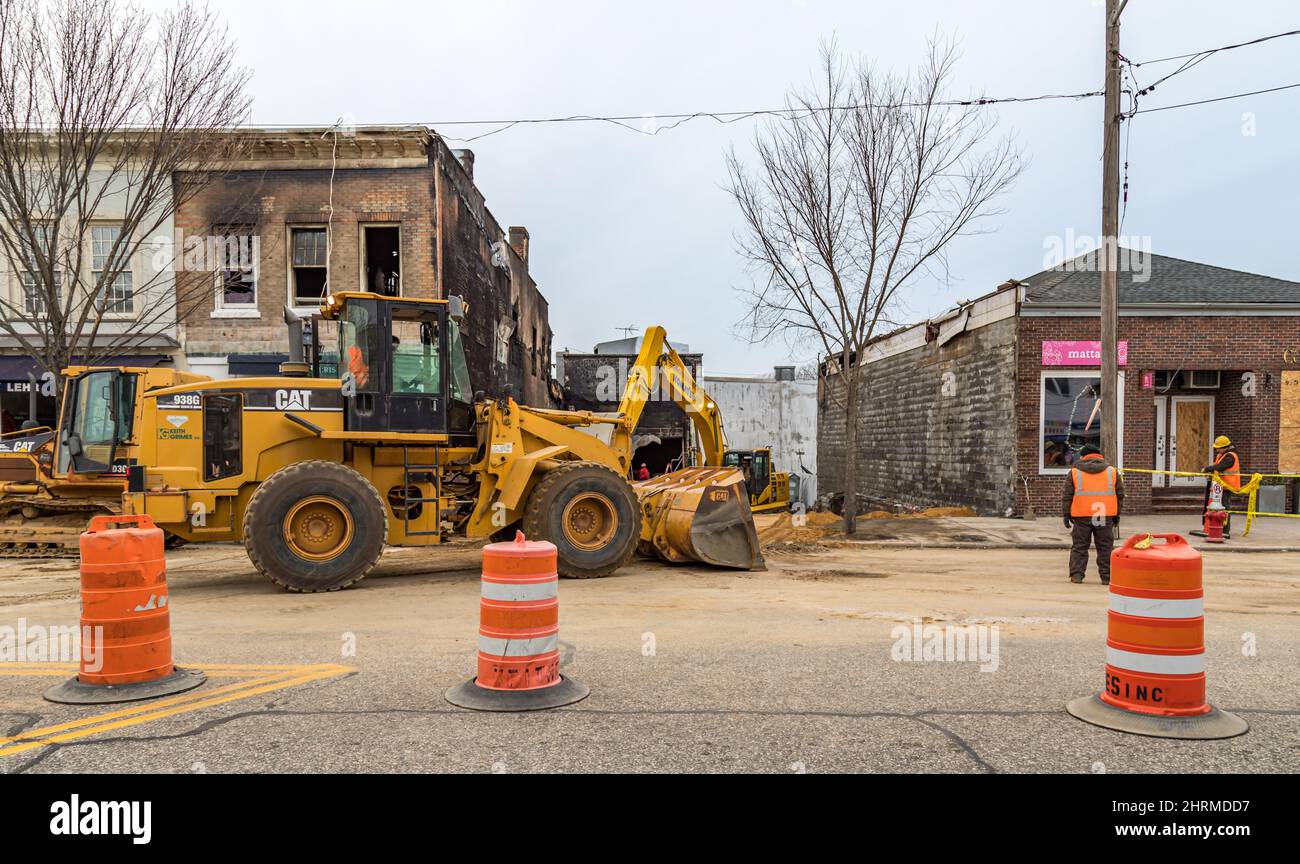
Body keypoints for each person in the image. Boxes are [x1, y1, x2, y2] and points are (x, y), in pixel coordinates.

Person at [1062, 444, 1124, 584]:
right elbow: (1120, 495)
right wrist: (1117, 515)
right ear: (1099, 456)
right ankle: (1107, 577)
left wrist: (1066, 514)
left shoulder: (1074, 472)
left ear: (1083, 457)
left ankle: (1077, 575)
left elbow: (1067, 495)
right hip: (1102, 514)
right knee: (1104, 546)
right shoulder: (1112, 472)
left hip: (1082, 514)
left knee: (1080, 546)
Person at [1191, 435, 1240, 540]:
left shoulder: (1230, 456)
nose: (1217, 449)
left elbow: (1220, 467)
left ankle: (1225, 530)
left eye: (1219, 447)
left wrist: (1207, 469)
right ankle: (1216, 527)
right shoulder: (1222, 455)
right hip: (1219, 486)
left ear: (1226, 447)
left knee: (1224, 508)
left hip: (1226, 486)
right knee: (1218, 507)